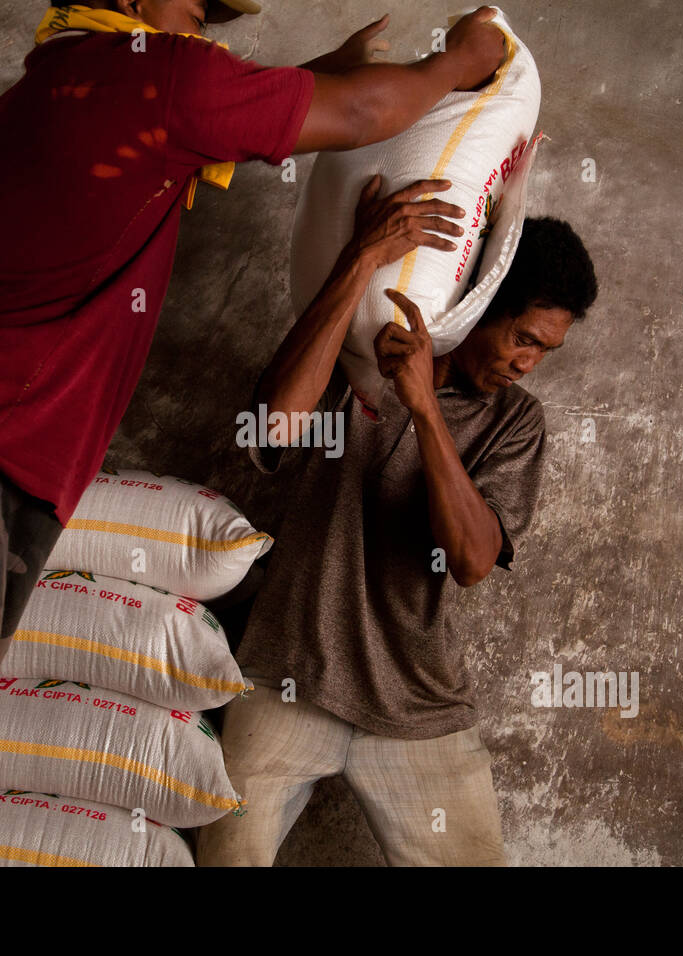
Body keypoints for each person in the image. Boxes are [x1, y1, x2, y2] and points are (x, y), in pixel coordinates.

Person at [0, 2, 510, 865]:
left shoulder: (65, 81)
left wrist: (313, 75)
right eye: (196, 12)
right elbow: (371, 111)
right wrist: (464, 58)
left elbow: (225, 115)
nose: (207, 33)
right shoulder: (163, 77)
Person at [197, 176, 598, 866]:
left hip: (416, 703)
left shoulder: (516, 421)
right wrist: (359, 259)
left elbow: (471, 560)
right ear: (481, 308)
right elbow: (270, 429)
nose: (527, 365)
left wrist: (425, 408)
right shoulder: (355, 358)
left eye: (544, 353)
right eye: (523, 339)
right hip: (287, 673)